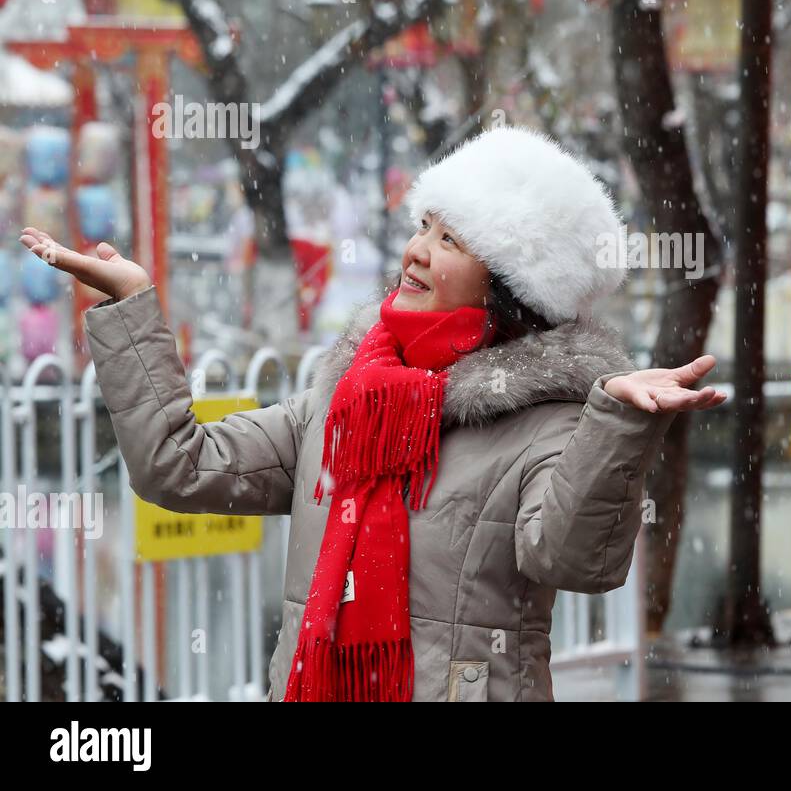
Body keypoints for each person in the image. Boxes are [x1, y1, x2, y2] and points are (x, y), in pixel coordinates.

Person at [18, 125, 726, 702]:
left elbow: (573, 558)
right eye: (424, 226)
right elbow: (180, 465)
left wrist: (618, 425)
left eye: (450, 240)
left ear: (508, 288)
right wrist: (131, 304)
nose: (415, 251)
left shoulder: (549, 422)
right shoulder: (345, 395)